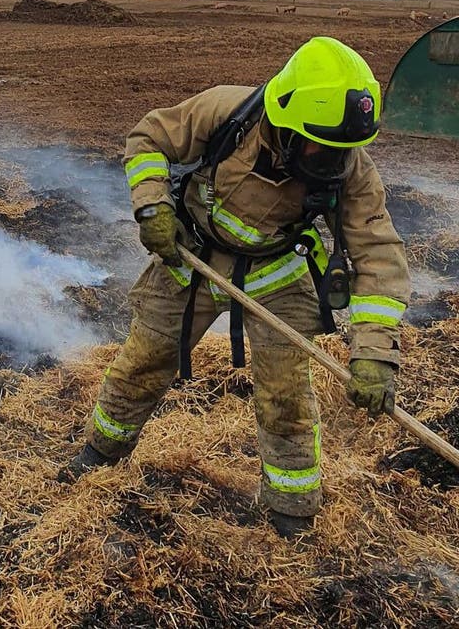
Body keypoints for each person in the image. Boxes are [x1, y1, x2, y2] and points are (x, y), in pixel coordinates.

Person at [65, 37, 410, 538]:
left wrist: (376, 352)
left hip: (278, 272)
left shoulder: (349, 164)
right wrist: (153, 208)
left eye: (344, 149)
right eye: (321, 146)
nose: (334, 161)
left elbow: (378, 252)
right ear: (287, 124)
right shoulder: (228, 113)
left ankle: (291, 513)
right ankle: (98, 454)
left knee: (286, 394)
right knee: (144, 359)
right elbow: (147, 139)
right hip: (196, 258)